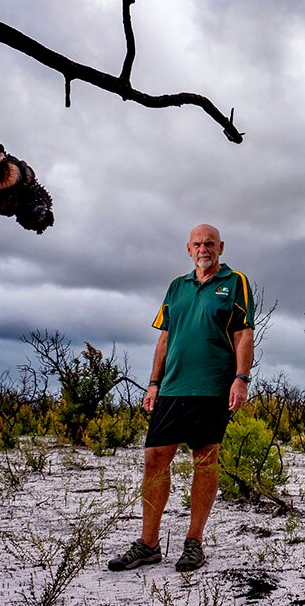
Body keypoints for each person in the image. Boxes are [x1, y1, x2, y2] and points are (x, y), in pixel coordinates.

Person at [108, 223, 254, 573]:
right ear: (188, 249)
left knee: (205, 459)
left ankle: (194, 542)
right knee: (155, 457)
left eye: (210, 244)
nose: (204, 249)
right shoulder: (177, 286)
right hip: (172, 387)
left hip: (212, 387)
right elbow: (164, 338)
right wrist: (153, 383)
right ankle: (148, 544)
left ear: (221, 247)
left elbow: (243, 333)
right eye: (197, 244)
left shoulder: (235, 282)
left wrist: (240, 379)